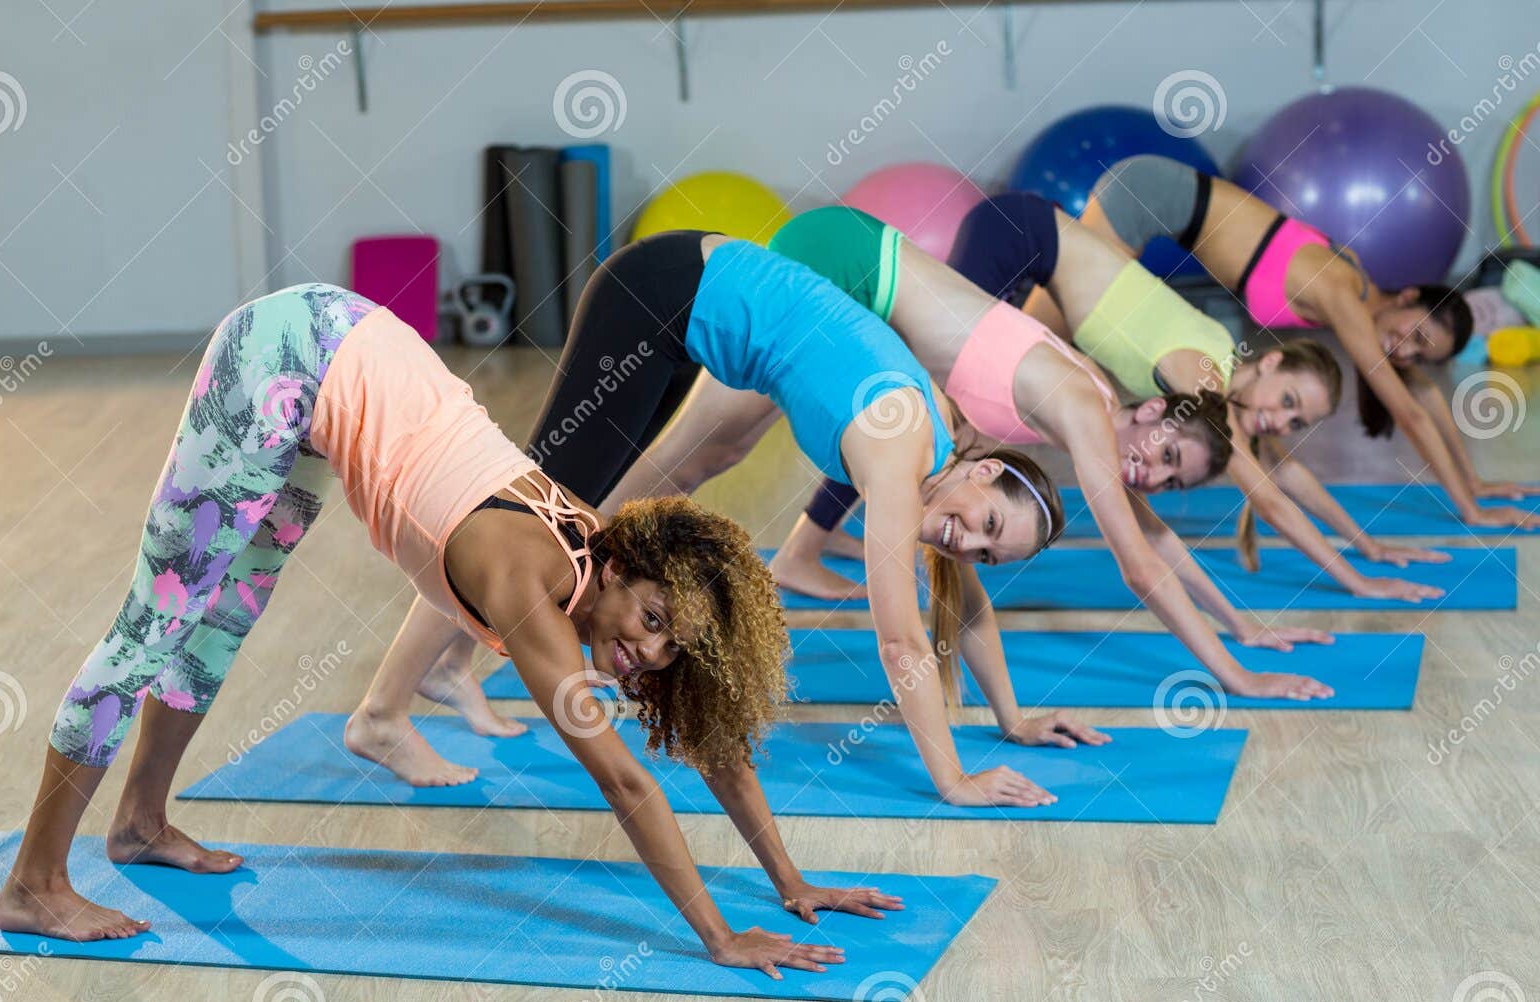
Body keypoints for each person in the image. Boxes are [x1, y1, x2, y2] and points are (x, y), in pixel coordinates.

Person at [0, 284, 899, 977]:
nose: (645, 654)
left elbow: (712, 740)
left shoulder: (608, 571)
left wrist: (789, 878)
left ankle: (141, 823)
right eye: (654, 622)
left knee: (223, 618)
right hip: (291, 352)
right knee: (157, 623)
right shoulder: (528, 577)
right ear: (623, 569)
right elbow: (623, 778)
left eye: (668, 650)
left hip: (346, 366)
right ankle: (34, 884)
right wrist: (720, 934)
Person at [527, 230, 1110, 806]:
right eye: (988, 526)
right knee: (531, 515)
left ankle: (474, 636)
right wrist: (955, 781)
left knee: (587, 509)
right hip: (661, 295)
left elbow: (965, 604)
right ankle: (448, 659)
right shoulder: (903, 458)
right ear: (983, 472)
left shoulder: (941, 456)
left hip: (693, 298)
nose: (968, 545)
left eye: (986, 553)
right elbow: (902, 643)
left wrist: (1013, 718)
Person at [764, 206, 1334, 705]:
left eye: (1172, 481)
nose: (1153, 476)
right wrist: (1237, 677)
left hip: (852, 258)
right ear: (1152, 411)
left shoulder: (1094, 417)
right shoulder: (1086, 414)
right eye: (1167, 455)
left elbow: (1156, 540)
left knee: (805, 439)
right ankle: (786, 558)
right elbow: (1139, 568)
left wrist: (1241, 626)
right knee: (730, 437)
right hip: (847, 258)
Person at [949, 190, 1453, 596]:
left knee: (946, 406)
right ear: (1270, 362)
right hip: (1021, 233)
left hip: (1040, 247)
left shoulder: (1221, 368)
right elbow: (1272, 502)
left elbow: (1286, 475)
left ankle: (869, 530)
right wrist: (1360, 583)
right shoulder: (1205, 380)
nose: (1279, 423)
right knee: (928, 398)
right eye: (1288, 401)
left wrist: (1368, 547)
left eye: (1295, 423)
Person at [1077, 154, 1540, 530]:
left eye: (1422, 352)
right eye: (1415, 333)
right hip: (1146, 195)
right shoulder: (1342, 293)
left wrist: (1473, 481)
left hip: (1160, 197)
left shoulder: (1361, 287)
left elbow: (1421, 392)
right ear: (1408, 296)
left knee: (1053, 337)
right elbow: (1409, 414)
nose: (1406, 350)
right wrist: (1471, 512)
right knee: (1048, 334)